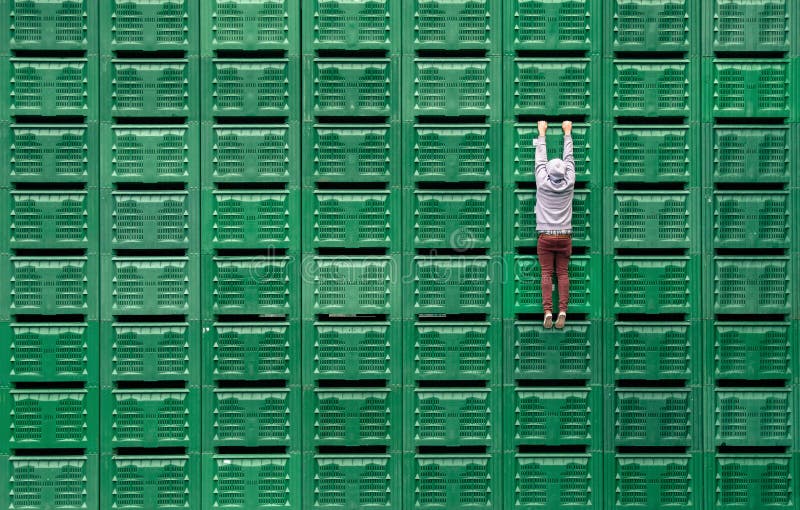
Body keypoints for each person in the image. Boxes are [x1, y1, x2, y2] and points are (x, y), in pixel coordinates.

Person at [534, 120, 575, 329]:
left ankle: (548, 311)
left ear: (549, 172)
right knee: (563, 274)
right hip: (565, 236)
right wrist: (568, 133)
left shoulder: (542, 182)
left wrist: (542, 133)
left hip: (546, 236)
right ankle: (563, 310)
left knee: (546, 274)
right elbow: (570, 159)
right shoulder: (570, 183)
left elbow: (540, 160)